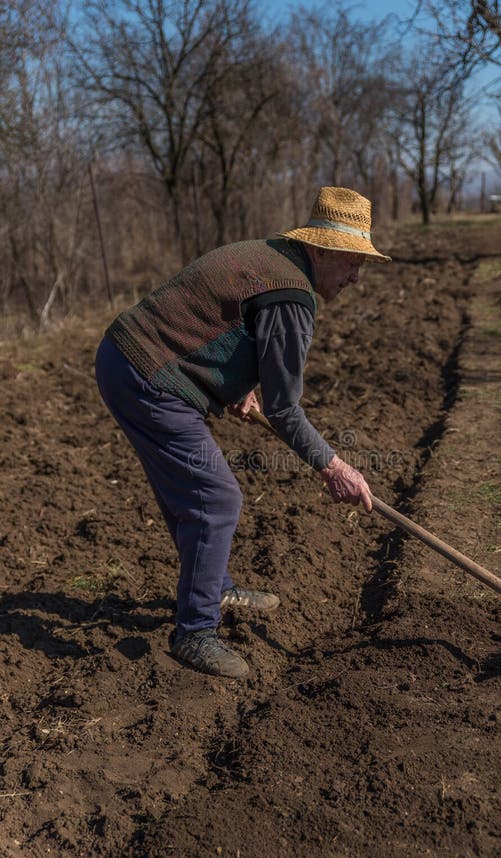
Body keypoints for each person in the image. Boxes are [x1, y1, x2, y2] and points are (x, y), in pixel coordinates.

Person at [95, 186, 391, 679]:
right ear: (319, 250)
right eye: (350, 261)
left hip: (126, 358)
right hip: (148, 378)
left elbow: (214, 318)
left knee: (193, 496)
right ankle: (195, 632)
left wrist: (229, 380)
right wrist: (334, 466)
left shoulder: (271, 256)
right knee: (216, 499)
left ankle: (216, 586)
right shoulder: (292, 296)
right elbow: (285, 409)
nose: (358, 275)